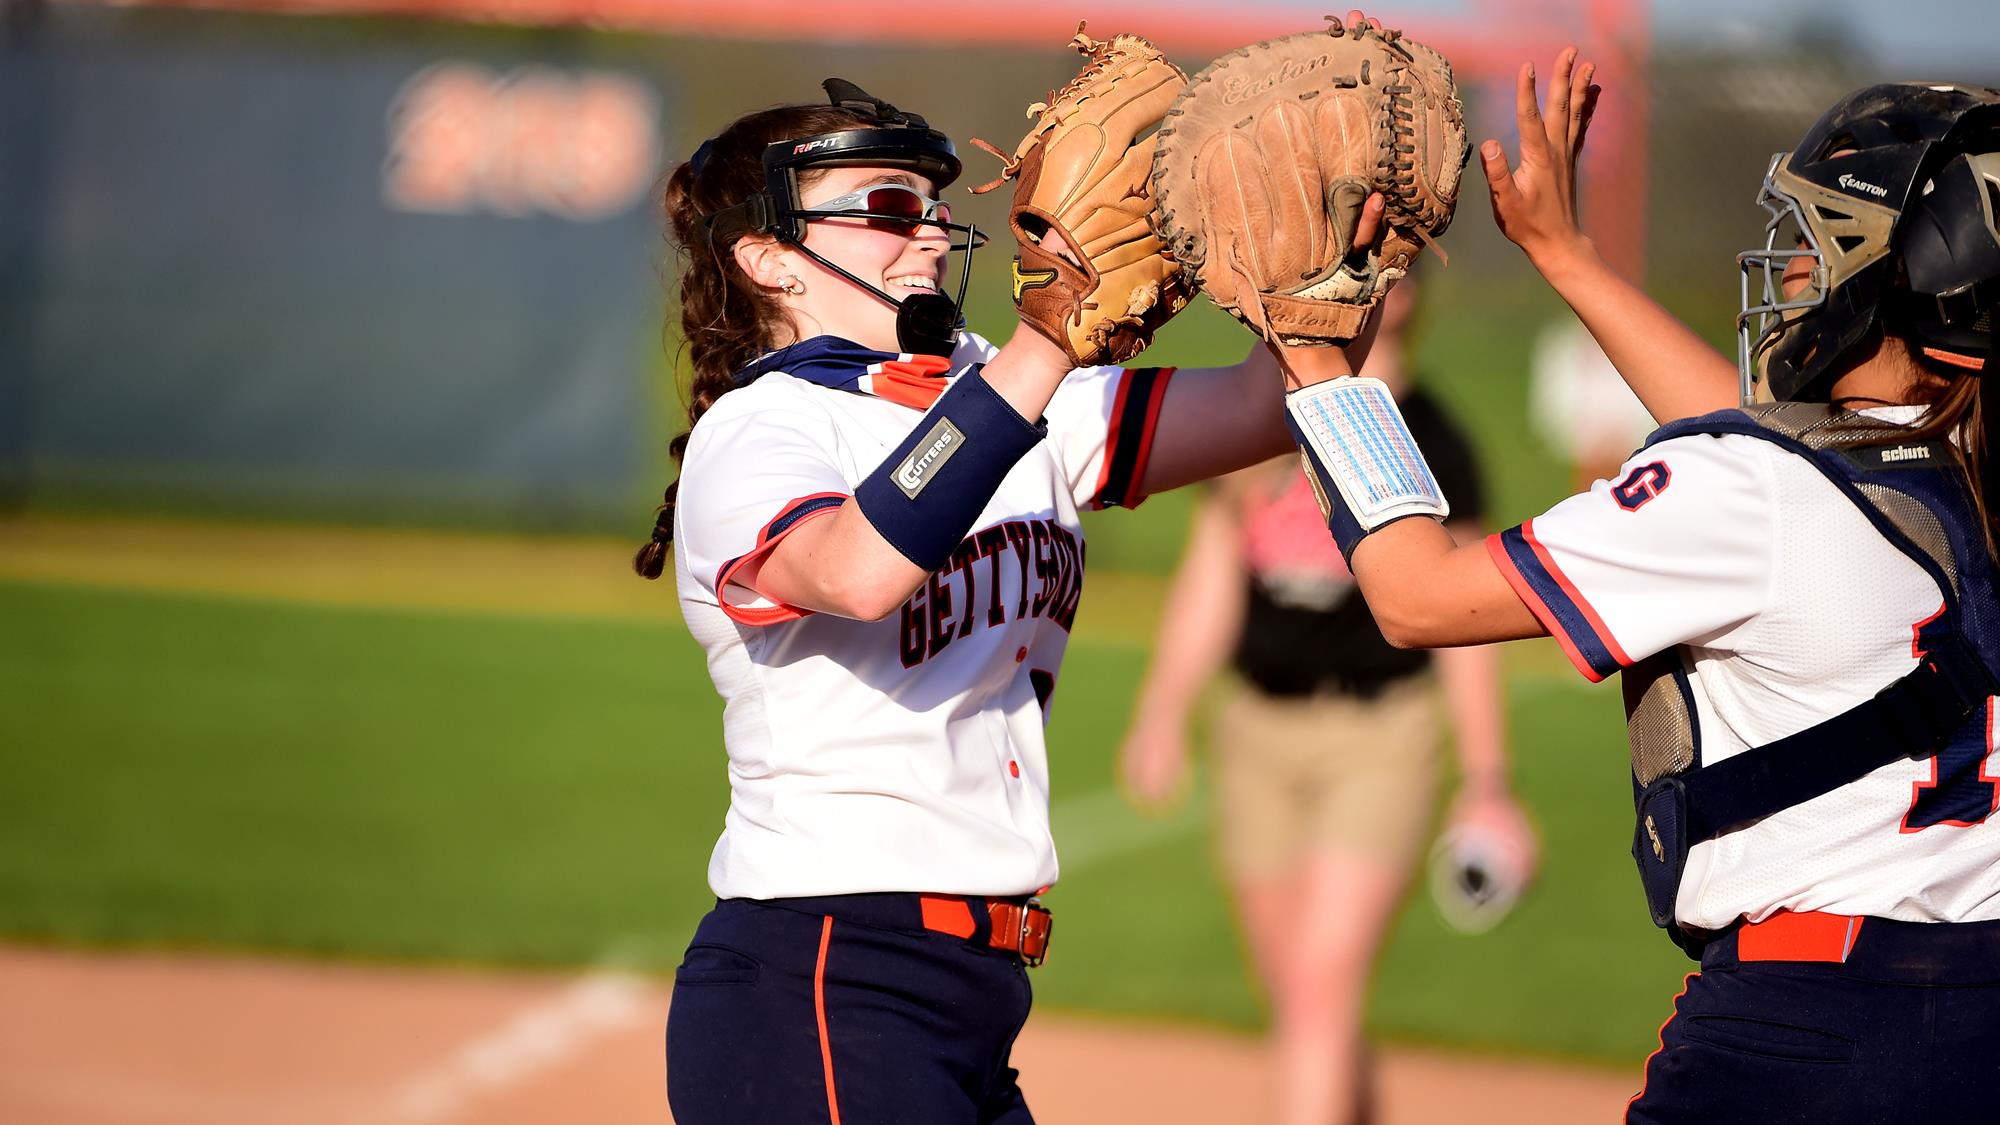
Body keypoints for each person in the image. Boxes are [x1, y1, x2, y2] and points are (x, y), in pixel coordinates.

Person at [635, 71, 1392, 1124]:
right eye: (890, 208)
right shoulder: (761, 433)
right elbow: (855, 571)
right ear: (767, 260)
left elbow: (1267, 407)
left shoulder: (999, 390)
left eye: (935, 205)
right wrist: (1039, 352)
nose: (932, 232)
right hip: (824, 977)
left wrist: (1349, 255)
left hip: (974, 995)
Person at [1265, 48, 2000, 1122]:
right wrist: (1569, 261)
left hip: (1805, 1034)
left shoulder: (1750, 495)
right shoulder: (1963, 468)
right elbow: (1784, 460)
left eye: (1822, 243)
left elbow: (1415, 596)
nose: (1792, 269)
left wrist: (1321, 370)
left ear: (1905, 284)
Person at [1117, 272, 1536, 1125]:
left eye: (1383, 273)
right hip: (1256, 732)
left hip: (1378, 734)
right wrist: (1162, 710)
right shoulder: (1264, 424)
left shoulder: (1434, 439)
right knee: (1304, 996)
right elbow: (1212, 572)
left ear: (1411, 297)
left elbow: (1468, 629)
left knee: (1319, 982)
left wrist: (1487, 778)